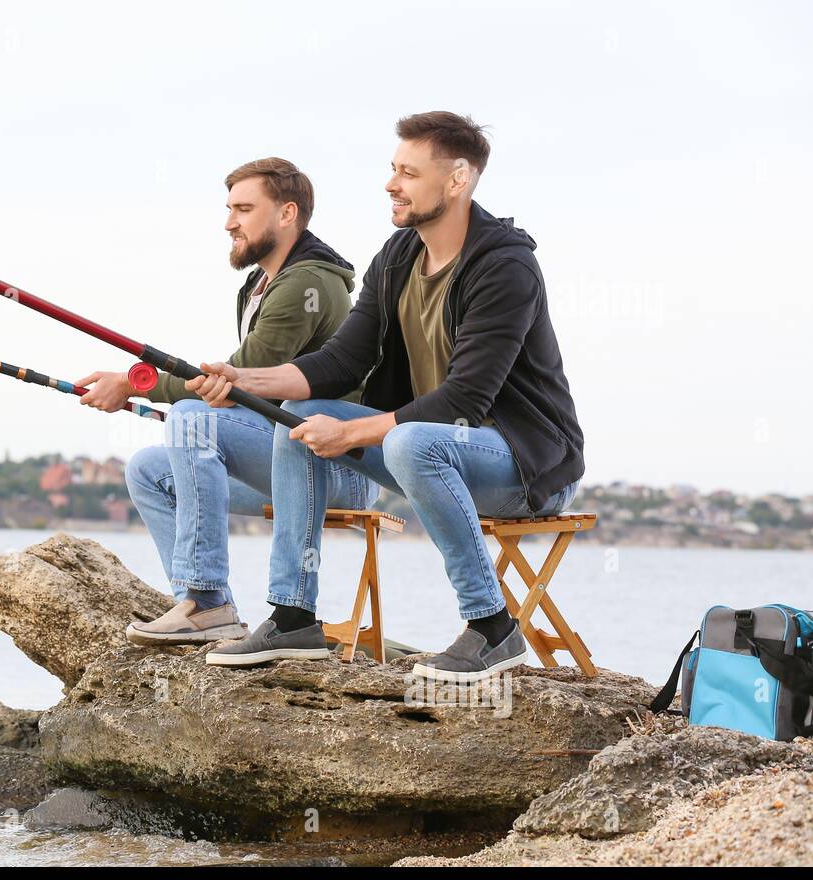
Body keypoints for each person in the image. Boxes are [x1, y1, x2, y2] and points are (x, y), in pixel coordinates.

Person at [191, 112, 585, 680]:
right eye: (392, 169)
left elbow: (463, 401)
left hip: (527, 465)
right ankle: (294, 616)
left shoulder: (505, 267)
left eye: (408, 172)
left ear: (457, 181)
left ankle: (493, 627)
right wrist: (242, 379)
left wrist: (350, 434)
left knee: (408, 444)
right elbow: (340, 362)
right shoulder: (399, 256)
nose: (391, 184)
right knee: (302, 415)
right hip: (433, 449)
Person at [75, 158, 370, 645]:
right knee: (149, 470)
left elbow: (235, 387)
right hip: (285, 456)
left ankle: (206, 600)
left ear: (286, 214)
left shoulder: (306, 284)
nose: (230, 222)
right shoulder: (260, 285)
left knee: (193, 418)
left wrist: (133, 382)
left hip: (340, 468)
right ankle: (205, 606)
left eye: (245, 209)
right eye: (229, 208)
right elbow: (231, 389)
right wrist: (137, 383)